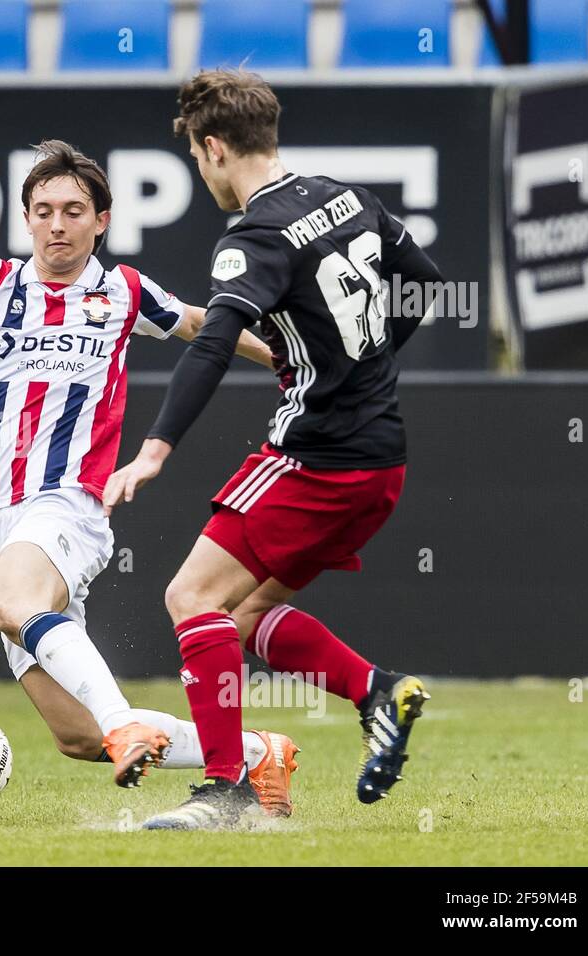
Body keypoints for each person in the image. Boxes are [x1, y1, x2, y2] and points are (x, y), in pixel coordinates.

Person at [0, 131, 300, 813]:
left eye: (72, 210)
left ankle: (126, 722)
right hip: (3, 516)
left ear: (101, 222)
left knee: (11, 607)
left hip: (70, 502)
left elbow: (200, 324)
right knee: (75, 734)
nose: (56, 224)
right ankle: (255, 754)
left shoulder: (124, 291)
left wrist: (285, 359)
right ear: (27, 217)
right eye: (43, 210)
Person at [105, 70, 441, 830]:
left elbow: (215, 342)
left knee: (190, 599)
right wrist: (367, 364)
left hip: (316, 457)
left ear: (215, 147)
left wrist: (155, 448)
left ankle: (225, 790)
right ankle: (379, 690)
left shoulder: (254, 234)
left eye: (196, 156)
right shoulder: (347, 197)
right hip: (381, 461)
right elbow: (422, 282)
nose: (200, 171)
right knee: (246, 617)